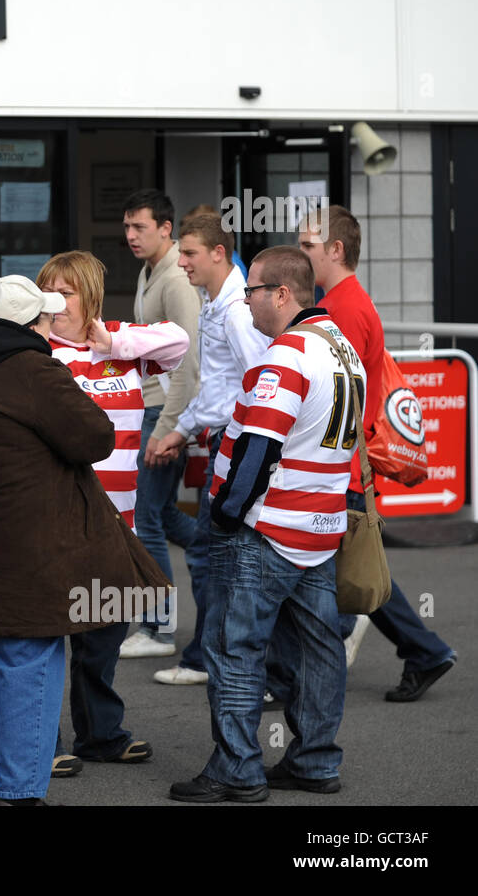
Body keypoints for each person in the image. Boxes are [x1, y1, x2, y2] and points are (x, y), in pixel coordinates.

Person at [0, 275, 169, 806]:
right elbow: (95, 436)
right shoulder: (34, 369)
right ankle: (21, 793)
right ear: (28, 324)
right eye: (44, 316)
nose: (51, 322)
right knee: (28, 660)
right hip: (24, 549)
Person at [171, 246, 364, 802]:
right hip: (318, 529)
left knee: (235, 649)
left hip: (266, 529)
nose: (246, 298)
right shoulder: (341, 349)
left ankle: (237, 767)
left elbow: (257, 449)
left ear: (281, 294)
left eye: (252, 288)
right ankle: (314, 761)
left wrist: (228, 514)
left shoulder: (287, 356)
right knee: (318, 650)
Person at [35, 252, 188, 776]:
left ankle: (100, 735)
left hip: (117, 522)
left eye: (68, 291)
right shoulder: (36, 350)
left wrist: (113, 344)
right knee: (50, 636)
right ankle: (40, 742)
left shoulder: (121, 344)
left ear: (92, 297)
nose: (57, 302)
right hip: (57, 521)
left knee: (103, 637)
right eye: (48, 291)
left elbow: (180, 342)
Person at [298, 206, 456, 701]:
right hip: (346, 460)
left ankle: (302, 674)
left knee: (348, 570)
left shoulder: (342, 307)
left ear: (335, 250)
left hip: (340, 462)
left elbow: (337, 393)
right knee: (357, 569)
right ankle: (421, 649)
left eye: (307, 246)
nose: (302, 255)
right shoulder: (346, 300)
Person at [147, 211, 271, 685]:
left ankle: (210, 659)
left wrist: (231, 441)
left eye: (191, 253)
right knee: (217, 555)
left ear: (219, 253)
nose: (182, 262)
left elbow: (259, 382)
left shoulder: (237, 309)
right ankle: (215, 655)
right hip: (224, 440)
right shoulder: (217, 300)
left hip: (233, 446)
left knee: (214, 557)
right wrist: (180, 430)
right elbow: (218, 385)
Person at [122, 190, 202, 658]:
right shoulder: (151, 269)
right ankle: (215, 549)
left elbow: (188, 363)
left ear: (165, 229)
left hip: (166, 411)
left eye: (140, 228)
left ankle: (159, 629)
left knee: (146, 520)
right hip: (156, 408)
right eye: (128, 227)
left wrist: (169, 428)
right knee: (164, 512)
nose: (131, 236)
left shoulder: (175, 278)